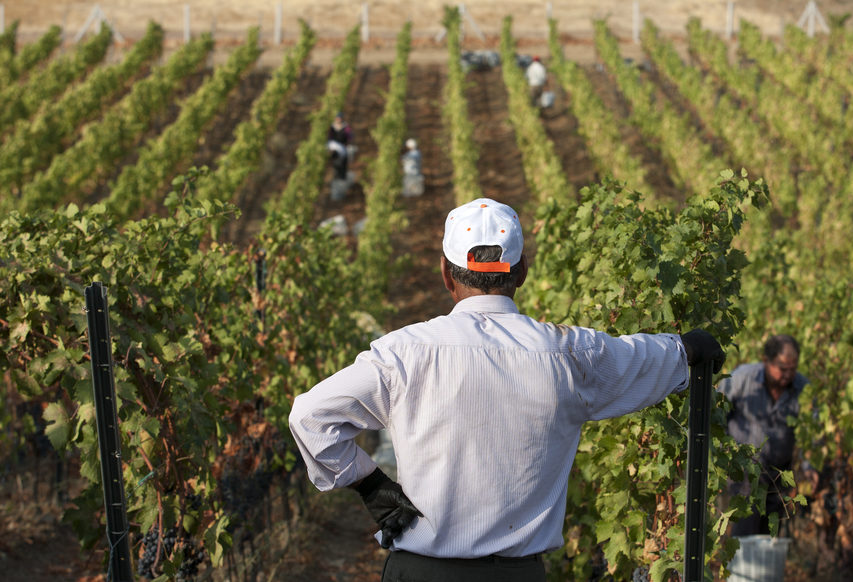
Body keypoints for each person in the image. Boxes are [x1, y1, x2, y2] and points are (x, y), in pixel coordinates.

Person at [288, 198, 725, 581]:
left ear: (445, 272)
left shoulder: (404, 354)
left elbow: (310, 417)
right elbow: (645, 357)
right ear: (523, 272)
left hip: (420, 573)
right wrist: (687, 348)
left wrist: (373, 487)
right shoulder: (571, 355)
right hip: (519, 575)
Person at [718, 334, 815, 537]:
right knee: (745, 533)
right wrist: (721, 453)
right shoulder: (743, 379)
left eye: (793, 368)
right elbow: (717, 413)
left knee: (769, 536)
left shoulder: (802, 388)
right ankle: (743, 567)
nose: (788, 374)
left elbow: (811, 433)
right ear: (766, 361)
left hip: (779, 477)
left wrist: (808, 467)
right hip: (743, 473)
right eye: (782, 368)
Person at [327, 112, 353, 182]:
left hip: (342, 146)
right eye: (337, 118)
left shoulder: (345, 127)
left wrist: (348, 142)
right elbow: (330, 136)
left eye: (339, 118)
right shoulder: (332, 127)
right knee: (335, 160)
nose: (338, 120)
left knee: (344, 159)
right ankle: (336, 175)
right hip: (334, 146)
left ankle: (342, 176)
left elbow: (349, 136)